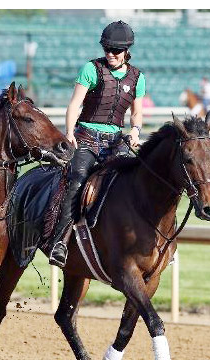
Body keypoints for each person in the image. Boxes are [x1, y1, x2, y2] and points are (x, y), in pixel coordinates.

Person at [47, 20, 146, 267]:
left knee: (134, 180)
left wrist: (135, 130)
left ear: (126, 51)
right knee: (78, 179)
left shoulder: (138, 78)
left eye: (115, 51)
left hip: (116, 142)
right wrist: (69, 132)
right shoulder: (90, 69)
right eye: (106, 50)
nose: (110, 55)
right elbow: (74, 105)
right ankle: (59, 242)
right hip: (87, 138)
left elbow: (137, 112)